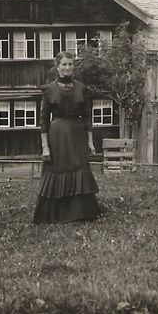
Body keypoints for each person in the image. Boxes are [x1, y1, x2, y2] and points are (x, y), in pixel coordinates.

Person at [33, 51, 101, 223]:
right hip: (57, 136)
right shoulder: (49, 89)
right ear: (57, 67)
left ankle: (80, 213)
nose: (68, 67)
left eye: (70, 64)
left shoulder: (81, 88)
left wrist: (90, 142)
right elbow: (43, 121)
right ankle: (56, 214)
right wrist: (45, 147)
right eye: (64, 64)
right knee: (58, 169)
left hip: (77, 134)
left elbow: (87, 117)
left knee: (79, 167)